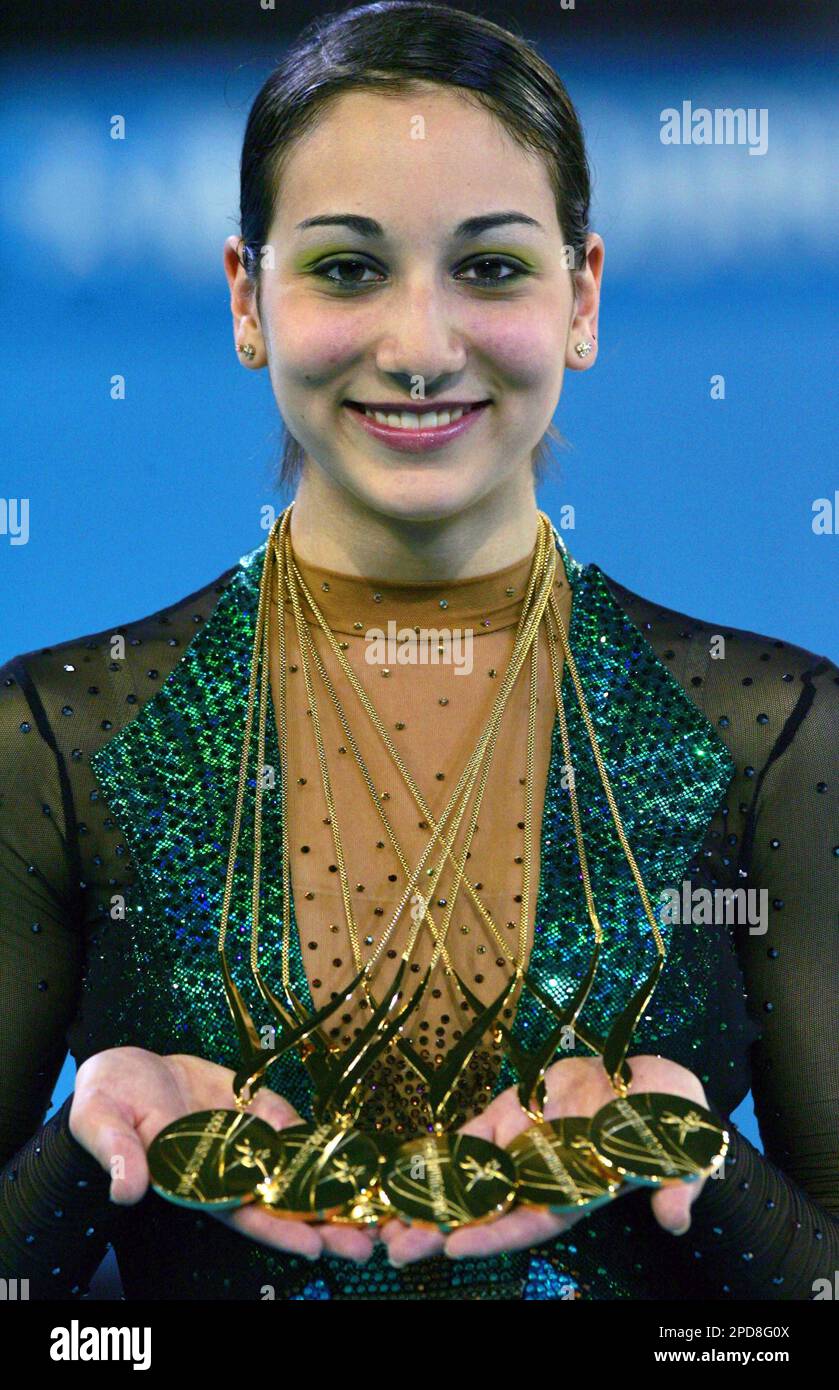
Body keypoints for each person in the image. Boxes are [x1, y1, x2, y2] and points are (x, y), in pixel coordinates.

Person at [1, 1, 836, 1303]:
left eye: (491, 268)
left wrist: (696, 1166)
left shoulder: (771, 730)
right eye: (346, 267)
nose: (421, 344)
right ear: (247, 296)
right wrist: (89, 1142)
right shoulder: (61, 736)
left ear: (584, 295)